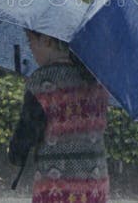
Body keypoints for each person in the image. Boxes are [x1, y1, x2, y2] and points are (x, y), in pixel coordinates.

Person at [8, 30, 110, 203]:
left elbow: (27, 131)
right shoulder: (96, 79)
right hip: (95, 185)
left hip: (57, 188)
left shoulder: (42, 80)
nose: (30, 49)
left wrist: (15, 153)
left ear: (47, 40)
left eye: (31, 41)